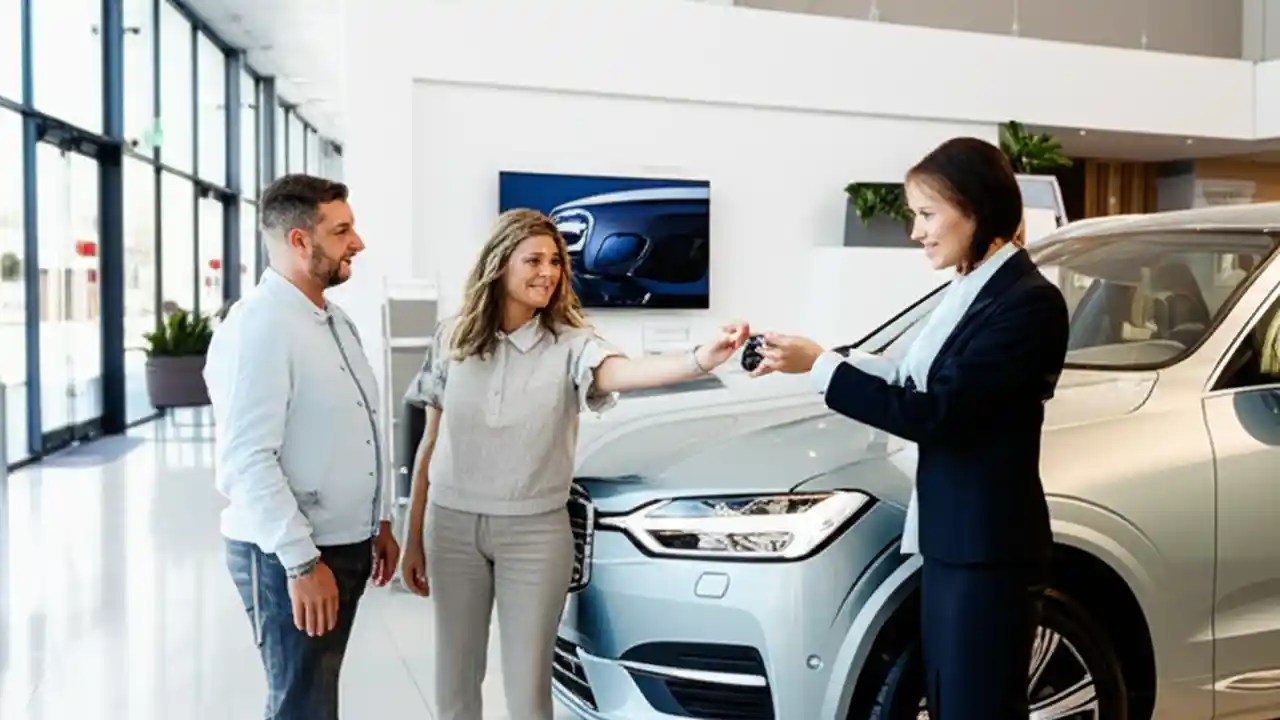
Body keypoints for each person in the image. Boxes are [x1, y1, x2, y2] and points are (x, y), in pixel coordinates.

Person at [750, 137, 1069, 718]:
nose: (915, 232)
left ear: (976, 208)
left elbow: (938, 414)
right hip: (955, 544)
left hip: (988, 552)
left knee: (979, 707)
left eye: (926, 214)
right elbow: (909, 371)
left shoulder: (1028, 302)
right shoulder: (972, 289)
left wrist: (822, 368)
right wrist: (820, 356)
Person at [399, 208, 749, 720]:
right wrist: (413, 536)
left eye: (556, 262)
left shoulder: (572, 343)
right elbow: (429, 442)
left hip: (535, 534)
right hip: (450, 526)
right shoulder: (450, 337)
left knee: (528, 688)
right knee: (454, 680)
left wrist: (700, 357)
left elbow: (626, 373)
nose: (549, 272)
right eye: (534, 260)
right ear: (499, 263)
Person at [205, 174, 401, 720]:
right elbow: (248, 460)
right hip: (290, 553)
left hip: (342, 544)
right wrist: (299, 563)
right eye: (341, 231)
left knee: (316, 698)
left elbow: (354, 426)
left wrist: (378, 520)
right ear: (298, 241)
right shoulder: (261, 327)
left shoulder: (333, 320)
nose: (356, 243)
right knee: (302, 707)